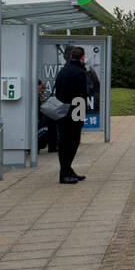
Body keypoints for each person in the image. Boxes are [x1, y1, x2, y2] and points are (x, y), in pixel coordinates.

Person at [54, 46, 89, 184]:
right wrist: (80, 116)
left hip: (61, 112)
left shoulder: (63, 71)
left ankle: (68, 170)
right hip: (74, 112)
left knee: (64, 142)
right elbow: (81, 96)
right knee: (72, 143)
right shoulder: (79, 73)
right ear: (82, 57)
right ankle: (65, 172)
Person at [36, 80, 58, 154]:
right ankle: (52, 146)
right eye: (42, 88)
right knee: (51, 121)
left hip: (38, 117)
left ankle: (52, 146)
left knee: (52, 120)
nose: (43, 91)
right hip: (37, 119)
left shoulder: (37, 97)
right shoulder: (35, 97)